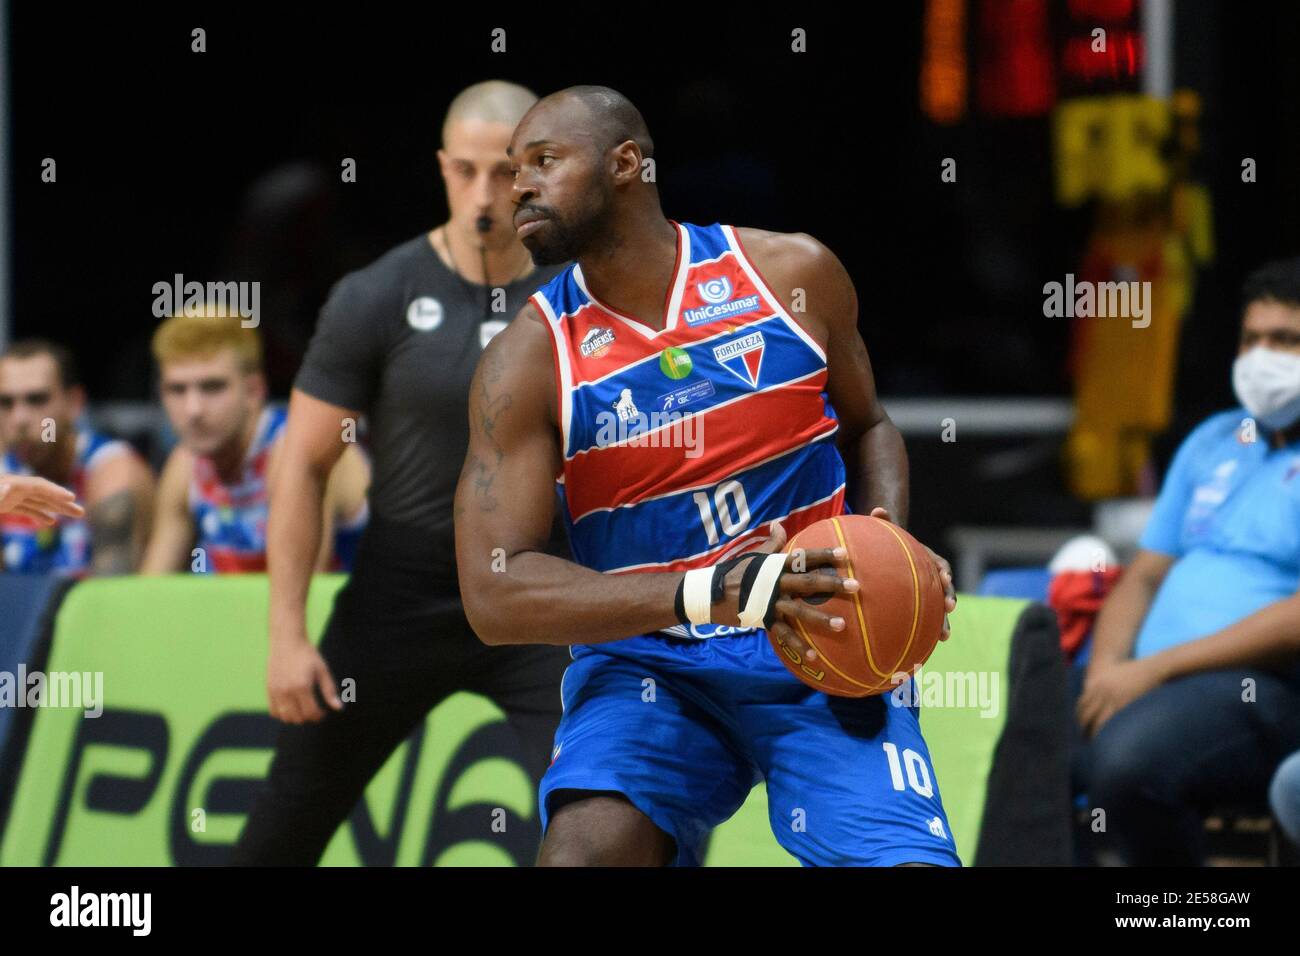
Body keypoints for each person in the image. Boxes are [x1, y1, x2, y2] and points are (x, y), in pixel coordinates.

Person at [454, 85, 960, 867]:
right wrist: (709, 591)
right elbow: (493, 593)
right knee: (581, 858)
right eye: (512, 170)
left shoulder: (791, 273)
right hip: (651, 663)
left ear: (626, 165)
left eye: (542, 163)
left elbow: (870, 427)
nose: (515, 185)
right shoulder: (527, 359)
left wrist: (885, 544)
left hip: (821, 635)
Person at [231, 81, 572, 865]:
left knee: (606, 824)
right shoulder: (377, 294)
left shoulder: (580, 294)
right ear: (442, 168)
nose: (483, 194)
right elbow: (302, 466)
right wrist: (285, 637)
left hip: (543, 591)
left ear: (534, 173)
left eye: (504, 172)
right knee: (279, 833)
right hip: (399, 594)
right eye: (465, 171)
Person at [1076, 256, 1300, 865]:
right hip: (1145, 678)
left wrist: (1155, 671)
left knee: (1128, 764)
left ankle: (1189, 910)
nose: (1262, 357)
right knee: (1027, 737)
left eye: (1284, 340)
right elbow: (1145, 573)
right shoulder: (1216, 439)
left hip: (1262, 690)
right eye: (1251, 339)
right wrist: (1106, 670)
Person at [140, 312, 369, 574]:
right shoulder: (184, 465)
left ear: (253, 391)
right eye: (177, 389)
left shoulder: (298, 451)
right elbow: (150, 587)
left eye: (212, 387)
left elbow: (299, 601)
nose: (193, 410)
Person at [0, 339, 153, 575]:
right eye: (6, 403)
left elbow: (109, 597)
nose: (19, 419)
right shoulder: (3, 473)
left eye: (37, 399)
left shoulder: (111, 472)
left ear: (74, 403)